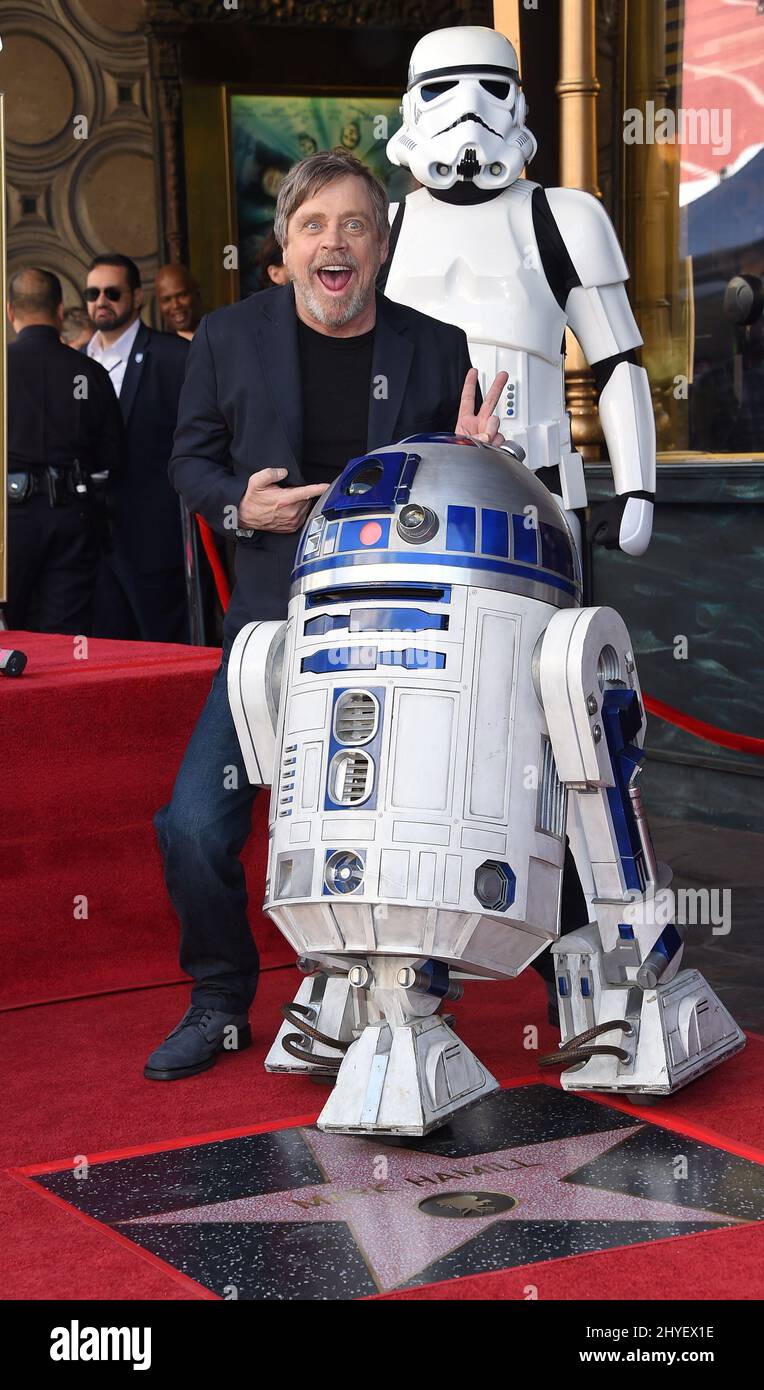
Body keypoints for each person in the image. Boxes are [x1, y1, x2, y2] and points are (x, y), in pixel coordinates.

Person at [146, 148, 506, 1081]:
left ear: (381, 247)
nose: (333, 243)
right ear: (286, 243)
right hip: (273, 624)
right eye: (314, 226)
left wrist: (474, 457)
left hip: (403, 630)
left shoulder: (437, 345)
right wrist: (241, 507)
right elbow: (189, 462)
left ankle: (415, 992)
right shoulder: (226, 339)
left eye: (354, 225)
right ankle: (221, 999)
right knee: (192, 825)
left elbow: (453, 473)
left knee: (411, 817)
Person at [4, 269, 123, 634]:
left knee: (8, 630)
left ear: (10, 312)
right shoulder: (89, 372)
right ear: (59, 311)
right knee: (64, 633)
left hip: (9, 523)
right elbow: (113, 457)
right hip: (71, 514)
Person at [85, 253, 190, 643]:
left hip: (157, 539)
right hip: (94, 544)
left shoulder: (173, 356)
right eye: (92, 293)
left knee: (165, 655)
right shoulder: (78, 361)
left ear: (136, 297)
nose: (101, 301)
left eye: (112, 292)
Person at [155, 263, 203, 340]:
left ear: (197, 295)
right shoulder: (159, 348)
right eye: (166, 300)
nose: (175, 305)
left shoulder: (221, 333)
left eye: (181, 295)